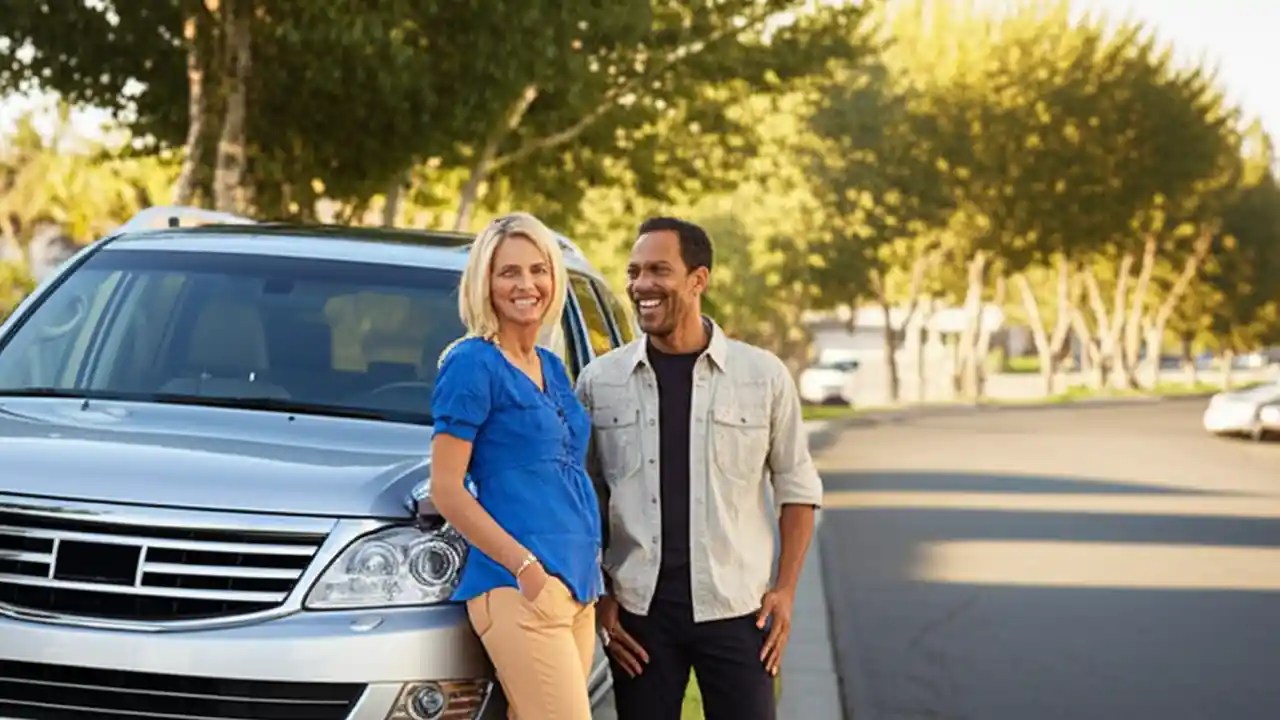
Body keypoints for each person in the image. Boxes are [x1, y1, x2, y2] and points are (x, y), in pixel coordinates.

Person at [575, 216, 824, 720]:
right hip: (639, 617)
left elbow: (797, 487)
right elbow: (583, 498)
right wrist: (600, 598)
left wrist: (786, 591)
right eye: (634, 271)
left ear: (698, 280)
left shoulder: (762, 376)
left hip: (739, 611)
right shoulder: (600, 381)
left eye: (659, 270)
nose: (641, 284)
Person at [426, 212, 604, 720]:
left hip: (576, 588)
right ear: (485, 282)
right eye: (509, 273)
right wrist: (526, 571)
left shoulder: (551, 366)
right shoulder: (471, 363)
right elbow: (447, 488)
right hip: (520, 589)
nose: (526, 284)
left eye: (537, 269)